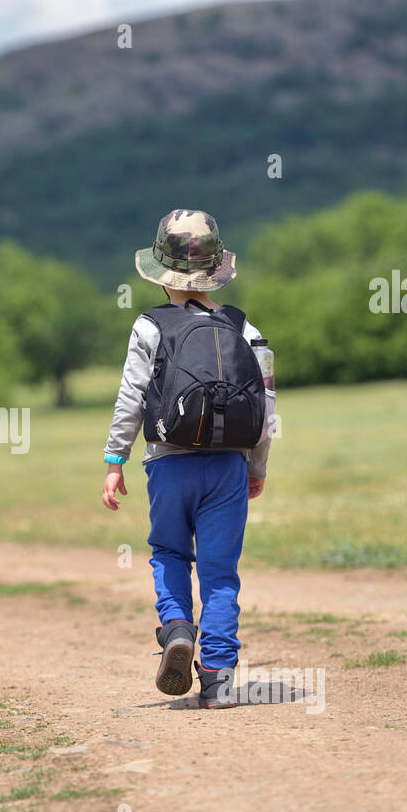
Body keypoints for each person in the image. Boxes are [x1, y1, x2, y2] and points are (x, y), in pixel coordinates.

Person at [101, 210, 273, 709]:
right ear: (217, 266)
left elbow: (131, 396)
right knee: (220, 572)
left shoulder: (150, 325)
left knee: (171, 553)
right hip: (228, 469)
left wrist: (115, 460)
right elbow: (265, 410)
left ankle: (177, 628)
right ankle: (217, 679)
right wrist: (256, 469)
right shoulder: (246, 329)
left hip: (168, 463)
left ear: (160, 269)